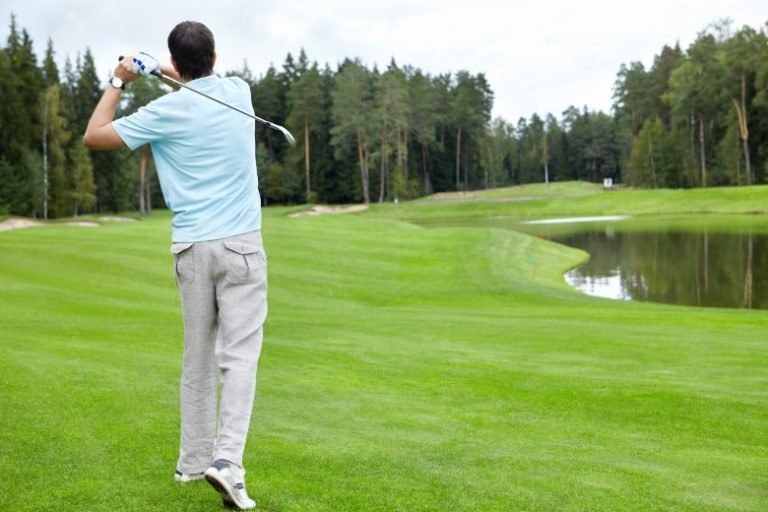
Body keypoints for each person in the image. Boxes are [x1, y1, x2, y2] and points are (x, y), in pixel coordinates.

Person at [83, 20, 266, 511]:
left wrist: (122, 78)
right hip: (242, 246)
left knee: (197, 356)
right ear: (214, 57)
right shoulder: (239, 92)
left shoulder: (162, 112)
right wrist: (163, 69)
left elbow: (94, 135)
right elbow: (198, 81)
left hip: (191, 249)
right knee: (239, 357)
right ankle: (227, 463)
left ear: (176, 63)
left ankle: (193, 462)